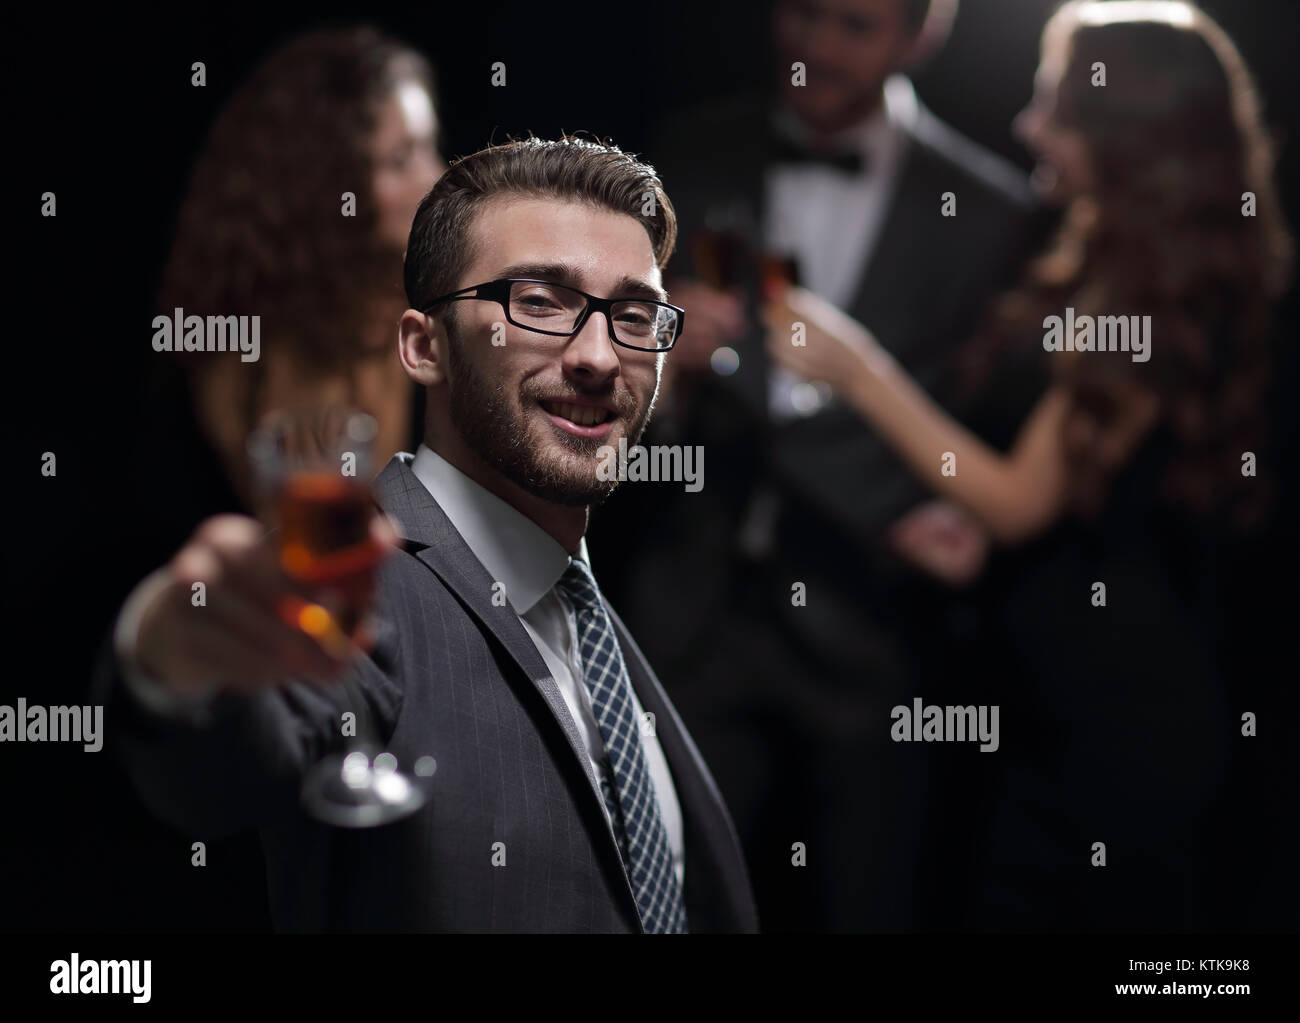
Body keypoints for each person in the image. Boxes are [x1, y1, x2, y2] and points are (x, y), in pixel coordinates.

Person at [98, 136, 760, 934]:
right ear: (423, 346)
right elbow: (216, 769)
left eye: (632, 314)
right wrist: (170, 655)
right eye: (540, 301)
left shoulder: (594, 621)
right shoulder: (358, 587)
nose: (596, 355)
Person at [763, 0, 1292, 929]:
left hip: (1117, 713)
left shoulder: (1144, 297)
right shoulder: (1107, 265)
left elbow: (1022, 503)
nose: (1027, 126)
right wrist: (963, 524)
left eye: (1054, 106)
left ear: (1124, 134)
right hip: (1042, 686)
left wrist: (855, 366)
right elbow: (1070, 488)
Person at [588, 0, 1043, 931]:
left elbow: (988, 432)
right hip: (688, 614)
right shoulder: (688, 148)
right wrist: (660, 362)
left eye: (854, 24)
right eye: (801, 13)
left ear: (926, 32)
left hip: (874, 627)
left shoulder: (993, 210)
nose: (815, 47)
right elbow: (609, 390)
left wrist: (922, 511)